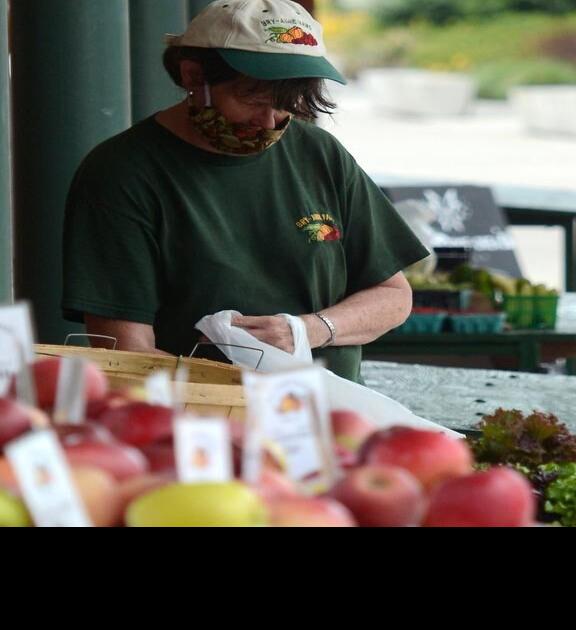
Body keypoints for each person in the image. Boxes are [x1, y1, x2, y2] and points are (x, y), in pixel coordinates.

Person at [61, 0, 429, 383]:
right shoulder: (123, 172)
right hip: (198, 424)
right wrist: (251, 397)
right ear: (192, 77)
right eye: (253, 99)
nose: (270, 121)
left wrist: (307, 330)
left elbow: (393, 295)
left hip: (332, 417)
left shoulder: (320, 154)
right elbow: (123, 348)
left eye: (287, 104)